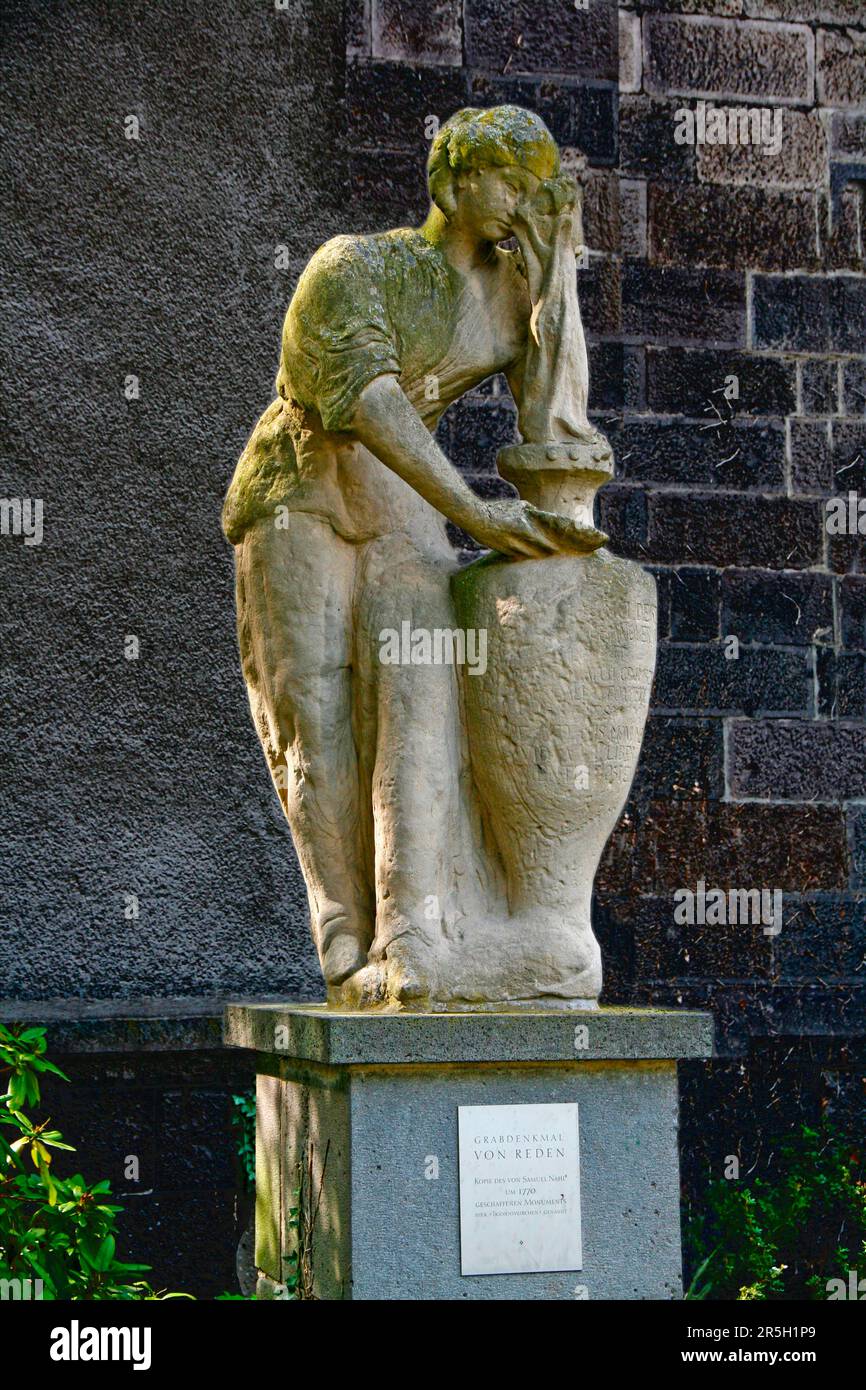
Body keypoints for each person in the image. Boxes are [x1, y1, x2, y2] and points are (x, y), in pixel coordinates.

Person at [223, 106, 596, 994]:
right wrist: (473, 510)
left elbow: (556, 420)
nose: (520, 202)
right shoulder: (353, 267)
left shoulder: (513, 289)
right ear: (455, 180)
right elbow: (369, 402)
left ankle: (416, 931)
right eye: (508, 181)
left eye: (535, 189)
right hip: (299, 493)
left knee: (422, 684)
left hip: (400, 498)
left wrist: (560, 279)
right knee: (314, 716)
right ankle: (345, 947)